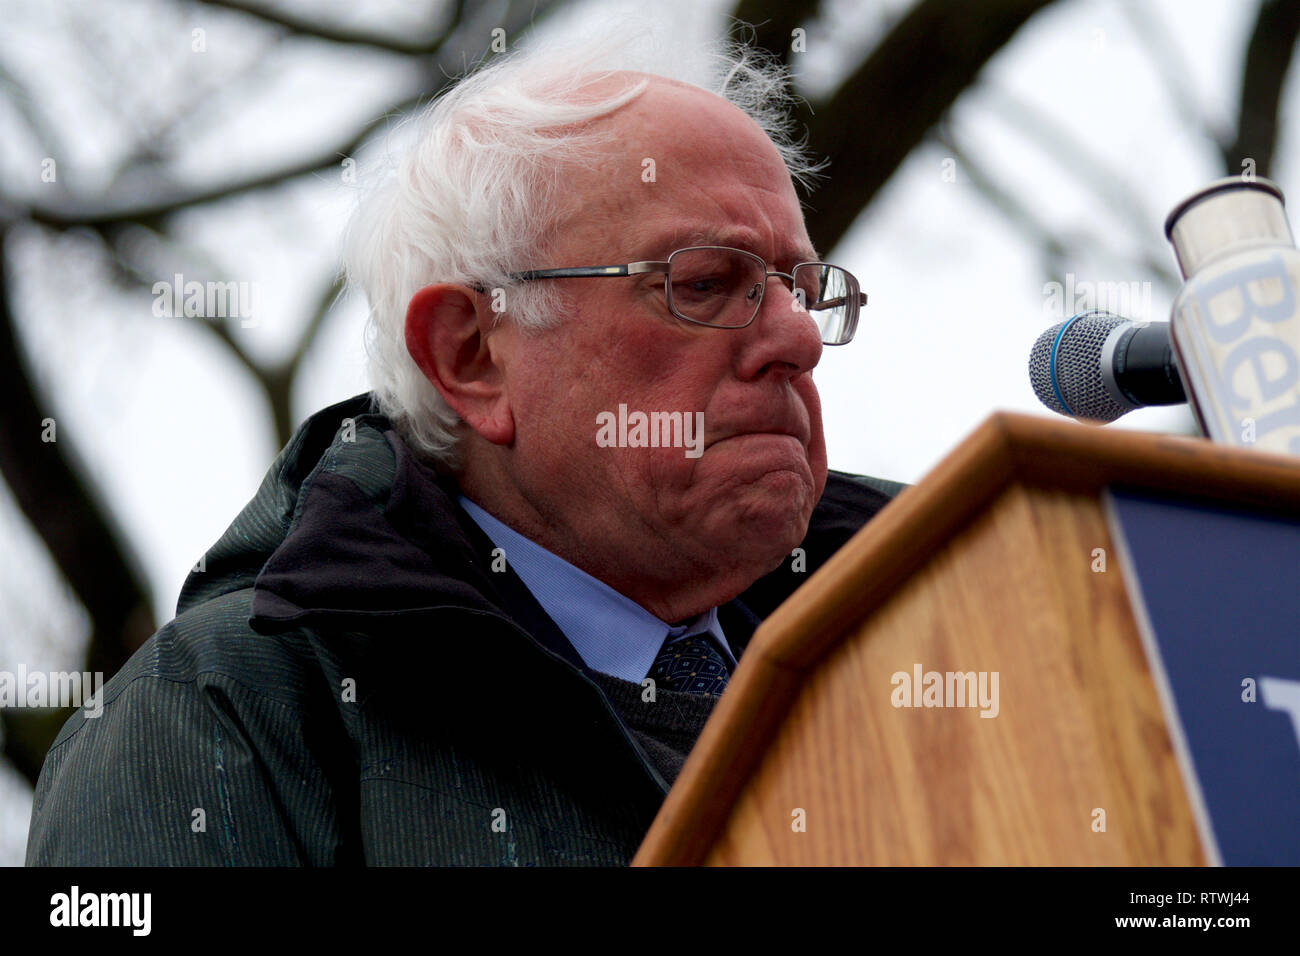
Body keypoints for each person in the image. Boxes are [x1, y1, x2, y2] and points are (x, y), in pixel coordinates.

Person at [25, 35, 901, 866]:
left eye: (804, 289)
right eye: (705, 283)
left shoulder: (945, 634)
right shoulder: (217, 722)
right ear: (471, 355)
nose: (800, 340)